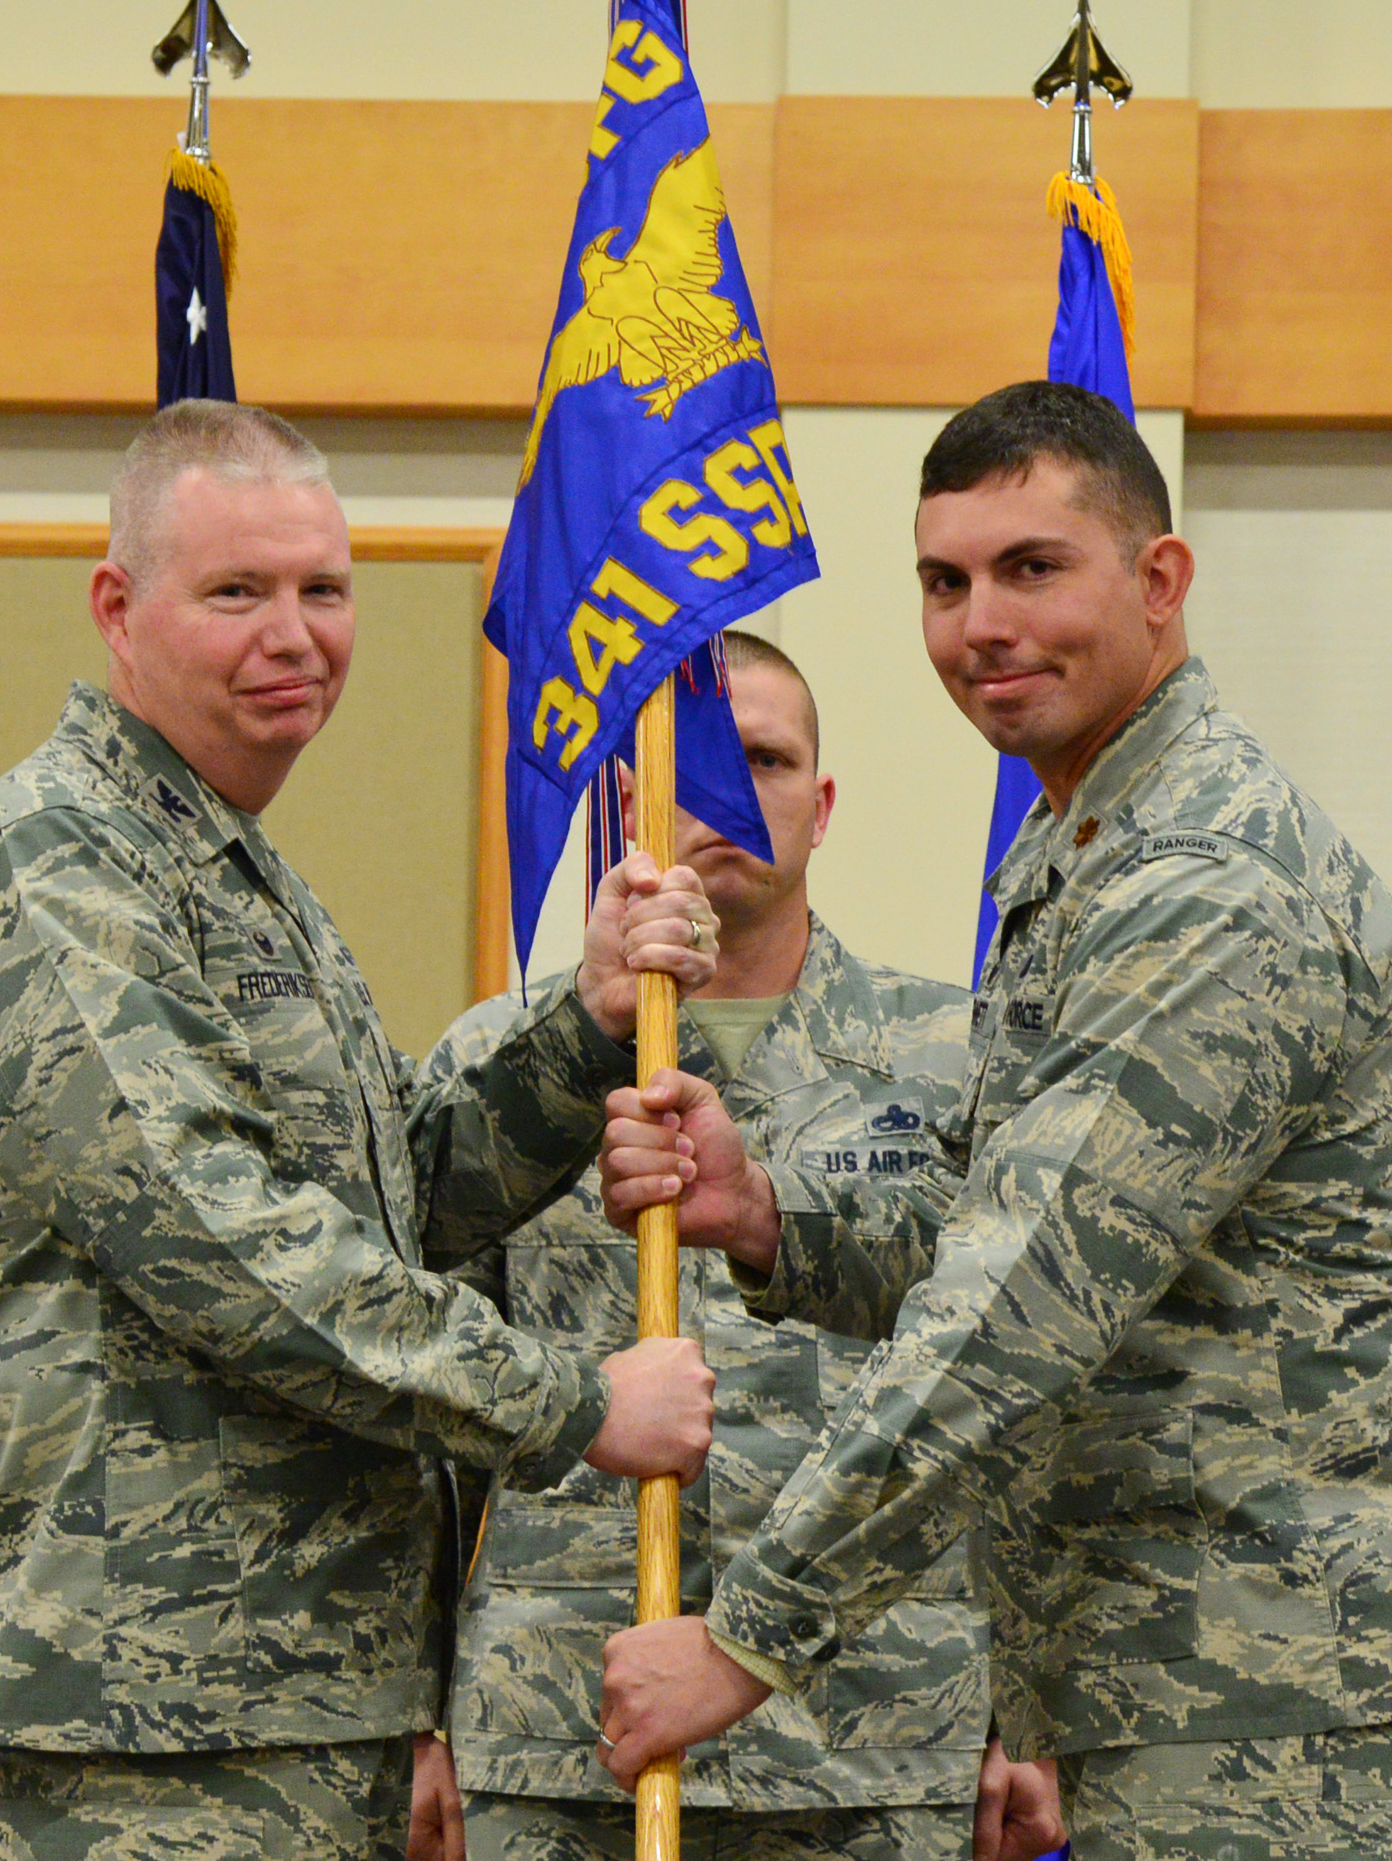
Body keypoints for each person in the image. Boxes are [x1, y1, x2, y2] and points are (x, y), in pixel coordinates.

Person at [595, 383, 1392, 1860]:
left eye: (1034, 568)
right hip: (1184, 1675)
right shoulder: (1079, 838)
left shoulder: (1210, 883)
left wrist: (748, 1635)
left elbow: (1023, 1299)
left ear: (1158, 583)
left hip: (1302, 1687)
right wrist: (770, 1213)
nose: (981, 625)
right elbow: (1002, 1208)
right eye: (945, 581)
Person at [0, 400, 717, 1861]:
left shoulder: (237, 865)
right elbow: (222, 1237)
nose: (295, 635)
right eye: (237, 592)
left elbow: (398, 1187)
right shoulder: (57, 857)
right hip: (140, 1718)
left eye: (323, 591)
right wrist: (574, 1405)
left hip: (299, 1703)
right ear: (118, 606)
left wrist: (584, 1026)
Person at [425, 632, 1034, 1861]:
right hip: (557, 1735)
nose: (729, 792)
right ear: (631, 792)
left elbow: (1026, 1397)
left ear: (822, 803)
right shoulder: (505, 1068)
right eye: (697, 759)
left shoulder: (964, 1062)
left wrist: (1037, 1706)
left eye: (763, 759)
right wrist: (411, 1714)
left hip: (874, 1736)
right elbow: (420, 1431)